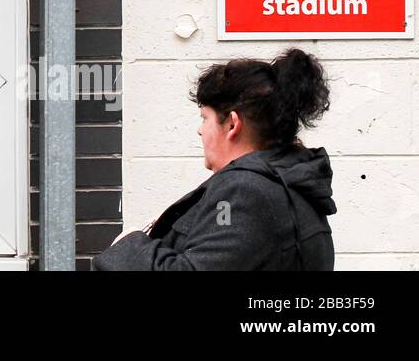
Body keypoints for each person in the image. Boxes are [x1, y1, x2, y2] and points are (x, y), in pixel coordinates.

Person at [93, 48, 336, 271]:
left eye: (205, 118)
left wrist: (130, 245)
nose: (200, 130)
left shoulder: (244, 193)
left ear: (232, 124)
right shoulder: (288, 182)